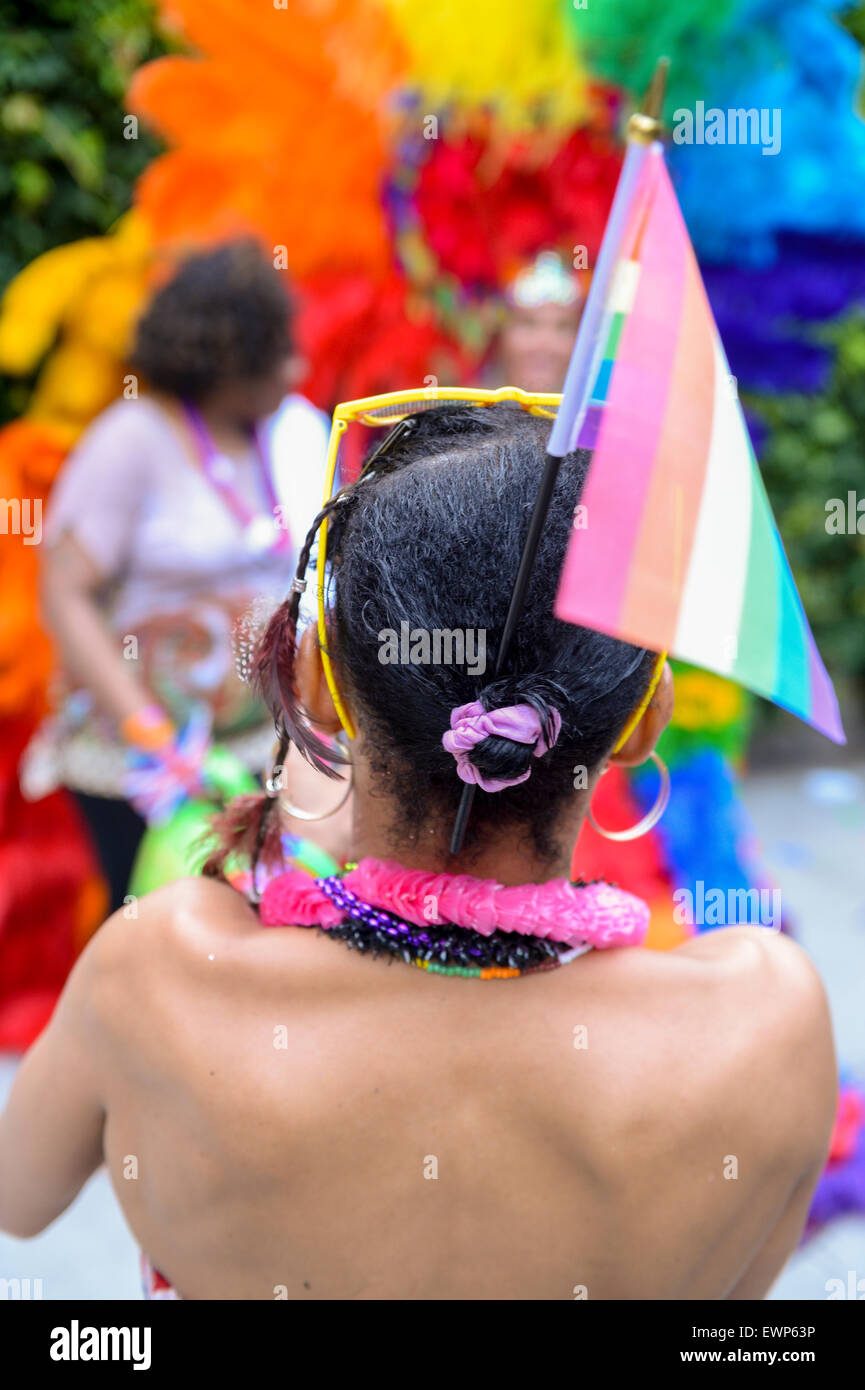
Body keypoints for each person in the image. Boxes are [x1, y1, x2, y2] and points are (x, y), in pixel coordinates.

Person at [0, 403, 836, 1300]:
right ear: (645, 719)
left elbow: (22, 1196)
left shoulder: (157, 969)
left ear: (316, 684)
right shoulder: (764, 1020)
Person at [21, 239, 341, 911]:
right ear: (225, 360)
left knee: (246, 923)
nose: (298, 365)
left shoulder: (292, 431)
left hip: (258, 748)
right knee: (151, 923)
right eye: (277, 351)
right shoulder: (131, 440)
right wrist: (147, 729)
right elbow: (64, 591)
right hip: (140, 769)